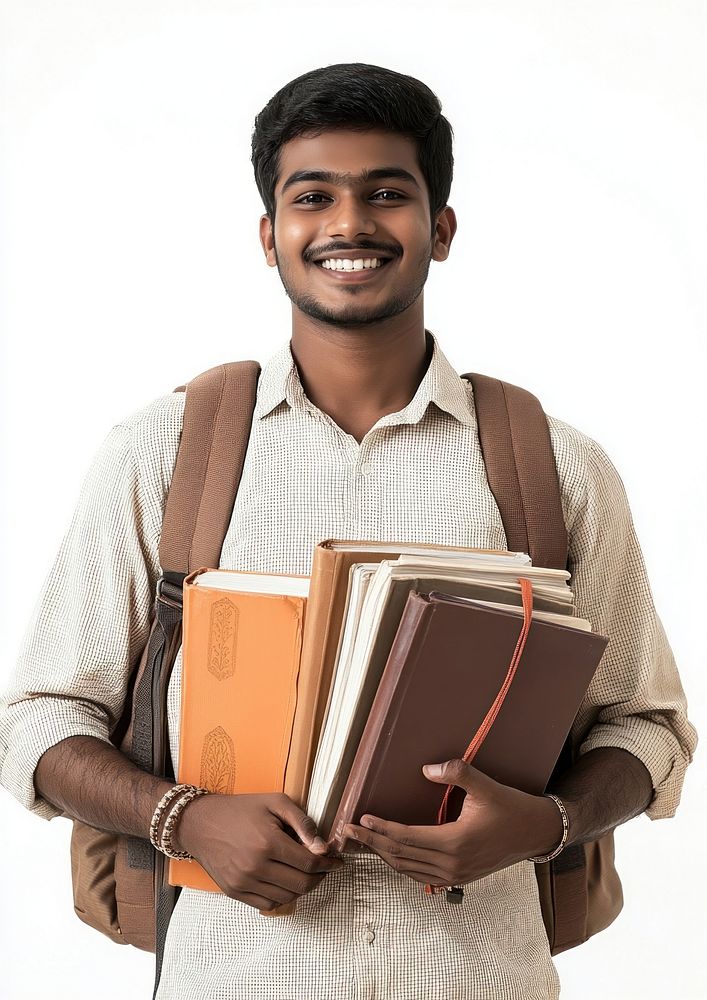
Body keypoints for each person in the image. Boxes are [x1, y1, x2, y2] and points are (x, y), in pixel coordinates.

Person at [0, 62, 697, 1000]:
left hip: (479, 978)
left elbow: (642, 722)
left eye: (386, 193)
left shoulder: (553, 465)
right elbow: (39, 718)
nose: (348, 224)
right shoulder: (162, 454)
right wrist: (186, 819)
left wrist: (545, 827)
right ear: (269, 234)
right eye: (312, 196)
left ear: (439, 228)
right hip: (234, 978)